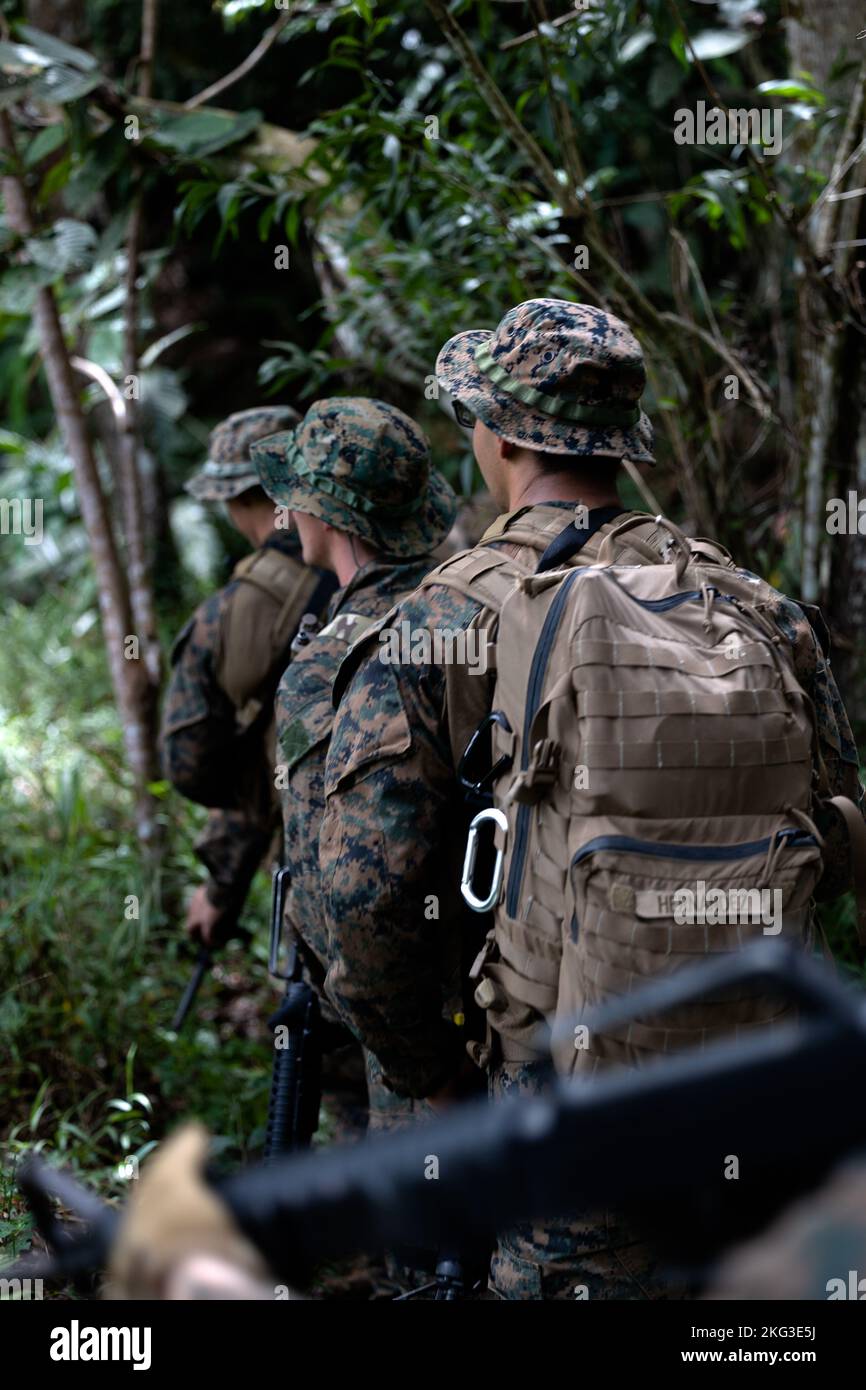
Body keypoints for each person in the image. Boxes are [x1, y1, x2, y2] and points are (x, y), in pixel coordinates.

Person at [320, 298, 865, 1299]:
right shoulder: (750, 605)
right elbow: (828, 831)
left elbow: (363, 891)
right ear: (620, 446)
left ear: (495, 436)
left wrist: (426, 1072)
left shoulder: (445, 617)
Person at [250, 397, 459, 1136]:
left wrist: (419, 1067)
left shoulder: (328, 667)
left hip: (424, 1034)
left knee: (434, 1241)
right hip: (535, 997)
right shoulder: (479, 609)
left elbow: (345, 900)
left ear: (326, 518)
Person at [161, 407, 335, 950]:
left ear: (237, 501)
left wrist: (220, 883)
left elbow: (194, 765)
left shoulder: (226, 617)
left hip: (310, 864)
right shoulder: (383, 564)